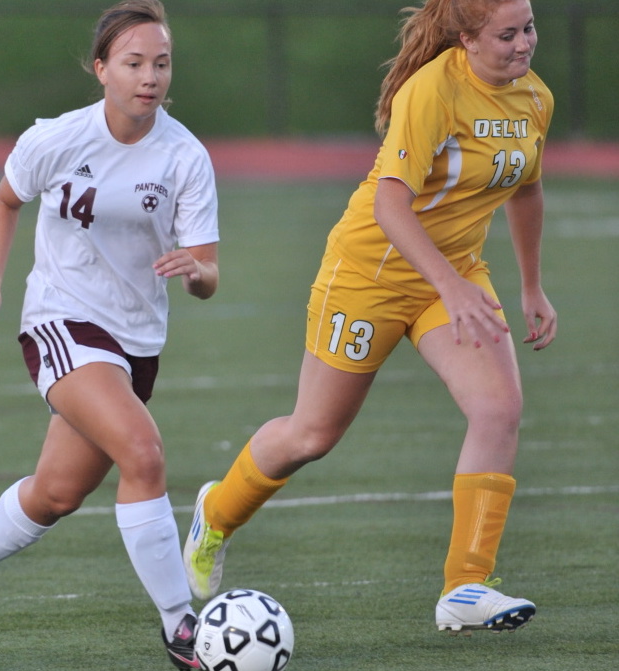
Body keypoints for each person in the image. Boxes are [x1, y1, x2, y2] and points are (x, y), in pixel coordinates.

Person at [184, 0, 554, 636]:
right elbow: (389, 203)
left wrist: (531, 286)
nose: (524, 44)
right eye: (507, 34)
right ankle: (214, 514)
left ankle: (465, 584)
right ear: (466, 37)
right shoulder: (432, 90)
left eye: (528, 28)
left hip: (453, 275)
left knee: (498, 409)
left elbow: (525, 186)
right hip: (370, 275)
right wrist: (451, 285)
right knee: (312, 435)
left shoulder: (534, 98)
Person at [0, 0, 219, 671]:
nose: (150, 76)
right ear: (101, 69)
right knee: (143, 453)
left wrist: (196, 271)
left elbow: (209, 276)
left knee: (55, 493)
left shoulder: (185, 157)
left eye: (161, 63)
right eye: (134, 62)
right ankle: (181, 625)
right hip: (60, 319)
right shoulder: (56, 139)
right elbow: (4, 201)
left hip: (136, 340)